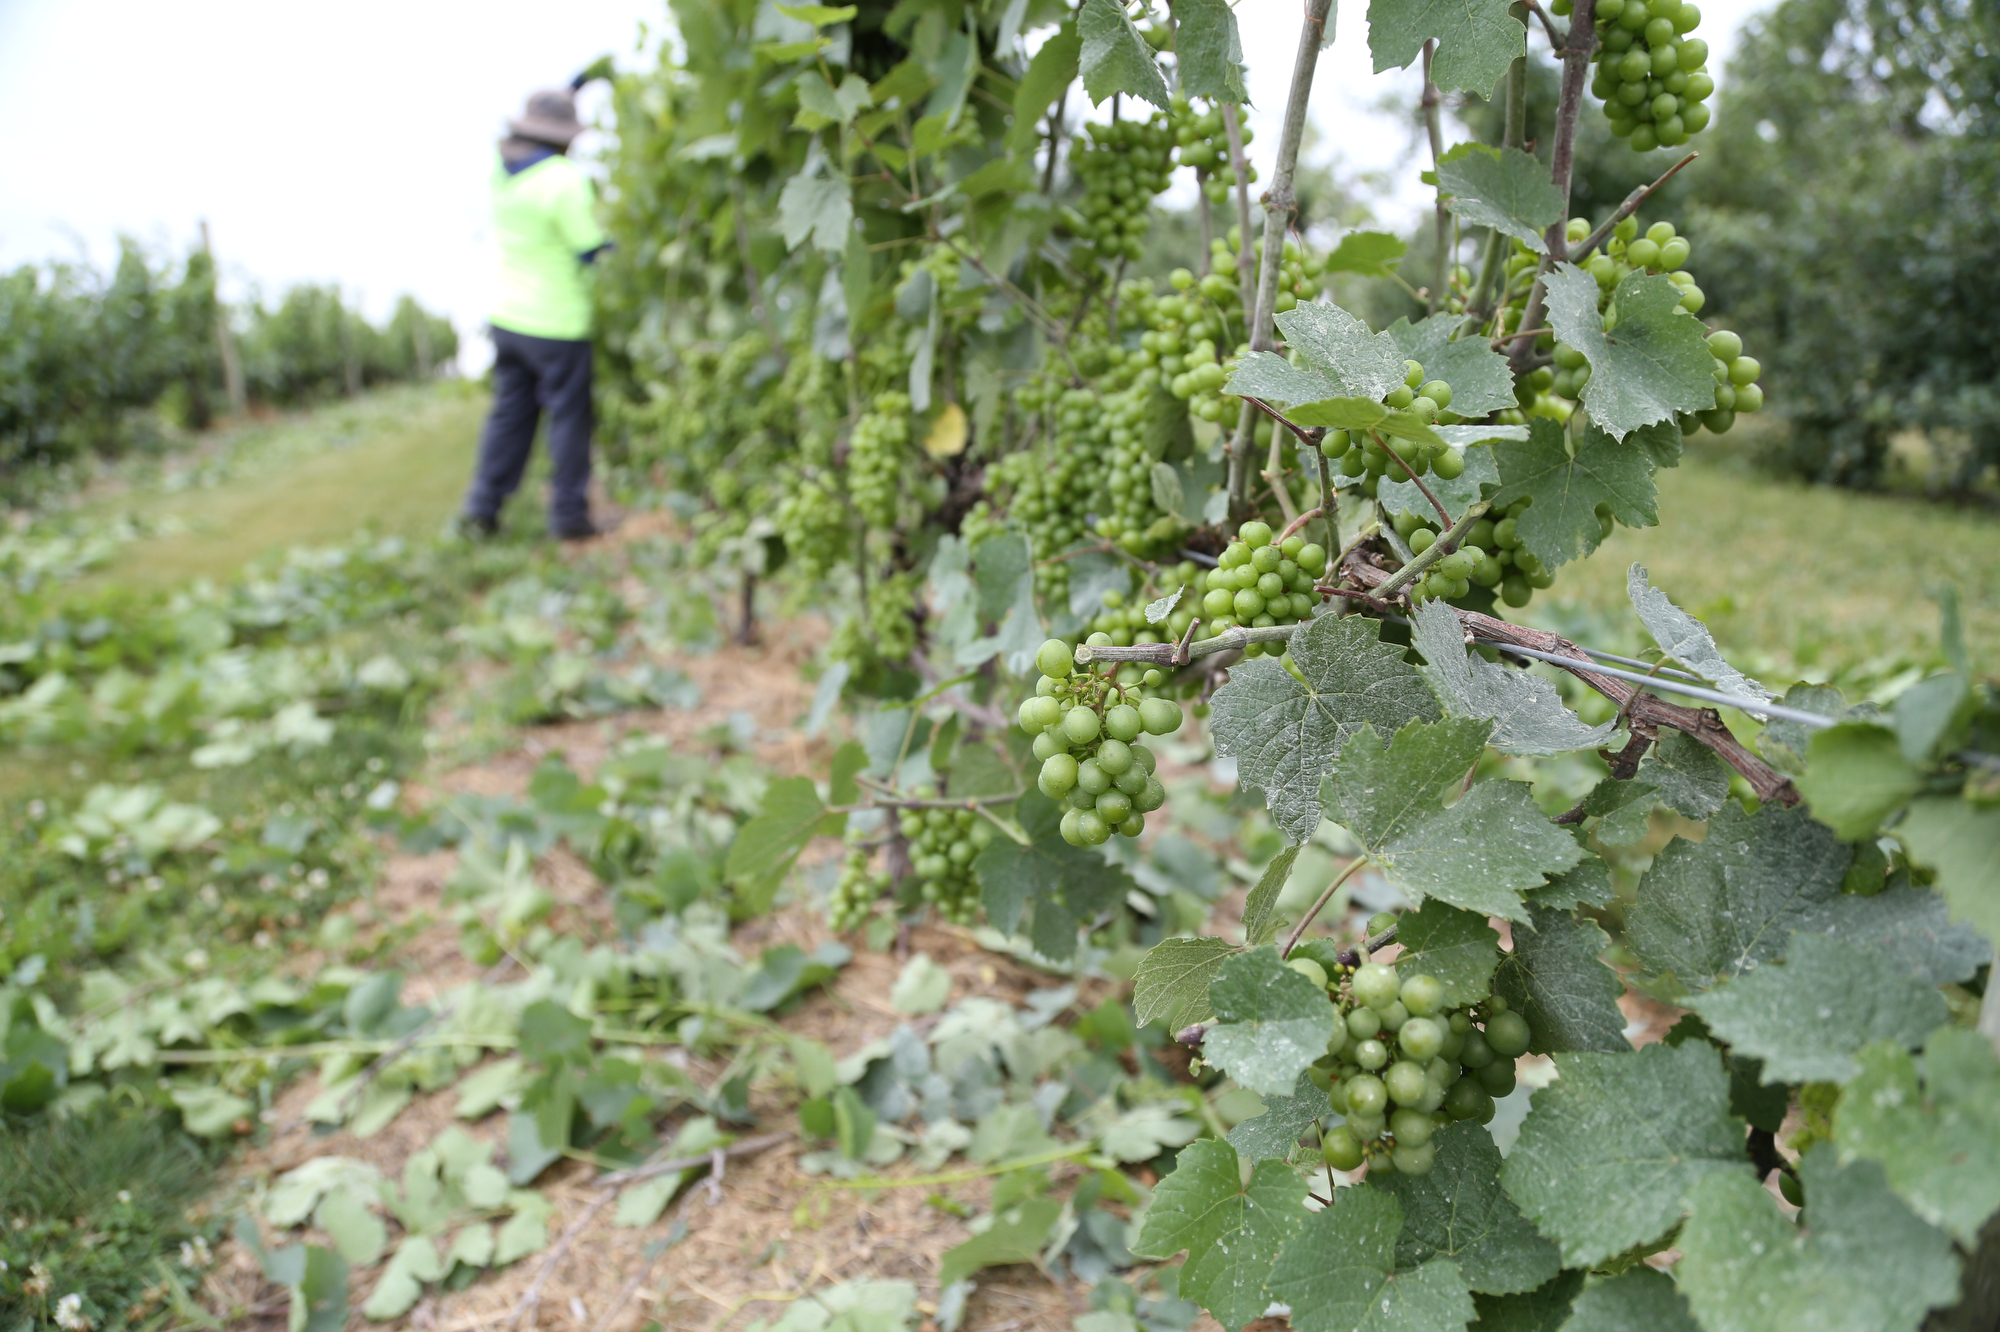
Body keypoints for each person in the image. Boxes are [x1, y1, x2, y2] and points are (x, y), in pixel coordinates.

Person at [460, 86, 609, 541]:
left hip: (508, 319)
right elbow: (588, 247)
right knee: (568, 416)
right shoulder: (563, 179)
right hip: (557, 322)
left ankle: (481, 509)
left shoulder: (502, 175)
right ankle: (569, 516)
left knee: (510, 415)